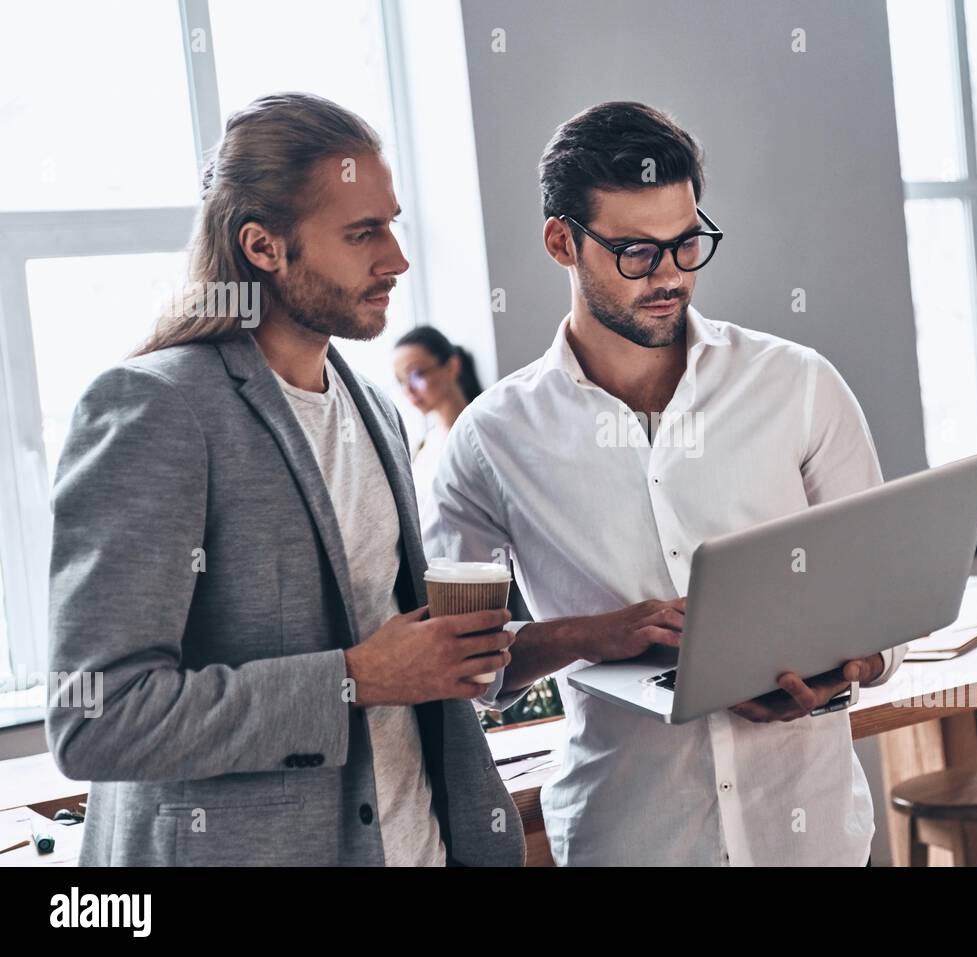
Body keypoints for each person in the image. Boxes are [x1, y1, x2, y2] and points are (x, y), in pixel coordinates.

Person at [45, 92, 523, 867]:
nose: (396, 258)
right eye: (363, 232)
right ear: (264, 246)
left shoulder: (373, 406)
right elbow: (97, 719)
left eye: (393, 223)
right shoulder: (155, 410)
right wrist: (354, 679)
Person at [424, 101, 906, 866]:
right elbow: (457, 664)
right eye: (637, 254)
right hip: (628, 834)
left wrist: (846, 668)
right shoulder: (491, 439)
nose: (671, 276)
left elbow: (879, 605)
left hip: (809, 830)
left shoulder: (799, 385)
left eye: (687, 245)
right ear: (561, 242)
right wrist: (591, 635)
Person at [393, 326, 483, 520]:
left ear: (451, 367)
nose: (408, 389)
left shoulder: (482, 434)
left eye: (416, 375)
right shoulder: (422, 447)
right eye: (401, 381)